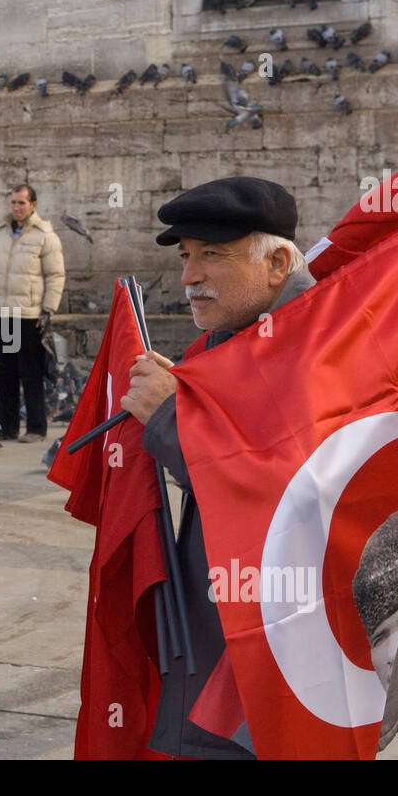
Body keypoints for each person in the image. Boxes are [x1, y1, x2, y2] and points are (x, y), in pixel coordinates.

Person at [119, 176, 316, 759]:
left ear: (278, 262)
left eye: (212, 254)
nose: (188, 277)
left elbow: (292, 494)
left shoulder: (322, 343)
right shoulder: (234, 339)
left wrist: (170, 422)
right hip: (235, 630)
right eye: (185, 256)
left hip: (291, 646)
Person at [0, 184, 65, 442]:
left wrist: (48, 309)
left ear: (33, 205)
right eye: (13, 203)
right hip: (3, 314)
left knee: (31, 373)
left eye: (21, 203)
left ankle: (36, 428)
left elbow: (55, 275)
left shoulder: (45, 235)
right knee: (4, 373)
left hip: (28, 315)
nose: (16, 208)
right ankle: (6, 427)